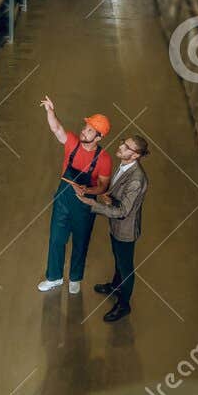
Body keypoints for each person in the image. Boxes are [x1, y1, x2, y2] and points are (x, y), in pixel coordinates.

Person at [38, 96, 112, 295]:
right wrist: (50, 111)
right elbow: (56, 128)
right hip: (63, 199)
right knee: (56, 239)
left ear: (99, 137)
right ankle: (54, 277)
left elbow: (103, 186)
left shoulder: (104, 159)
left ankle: (75, 278)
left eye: (89, 130)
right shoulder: (72, 142)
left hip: (85, 205)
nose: (84, 131)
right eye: (85, 127)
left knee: (81, 242)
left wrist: (87, 190)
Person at [78, 136, 149, 322]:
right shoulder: (124, 165)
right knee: (118, 259)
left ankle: (124, 305)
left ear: (135, 155)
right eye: (123, 142)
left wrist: (93, 205)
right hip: (116, 226)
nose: (121, 146)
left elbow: (123, 211)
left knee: (125, 268)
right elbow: (120, 195)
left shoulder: (136, 179)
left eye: (127, 147)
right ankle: (116, 286)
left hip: (125, 230)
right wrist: (110, 197)